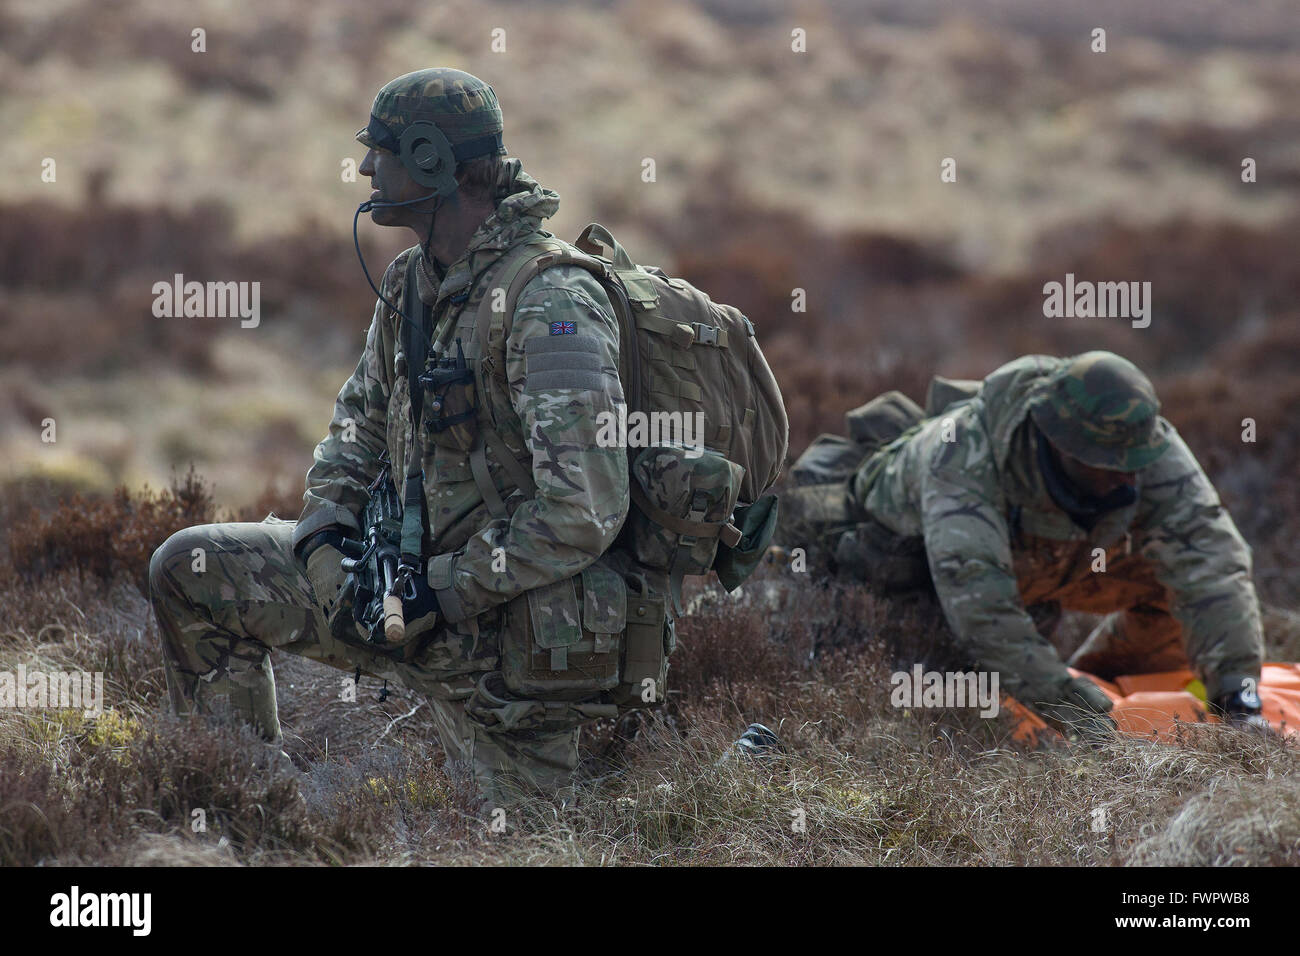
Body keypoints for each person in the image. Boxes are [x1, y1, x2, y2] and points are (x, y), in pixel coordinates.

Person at [150, 68, 635, 805]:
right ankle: (245, 813)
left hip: (503, 642)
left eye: (382, 151)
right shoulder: (413, 280)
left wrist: (439, 591)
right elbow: (355, 430)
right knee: (190, 568)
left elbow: (585, 509)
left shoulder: (552, 302)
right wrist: (321, 544)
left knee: (513, 850)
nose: (366, 168)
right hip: (391, 597)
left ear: (434, 162)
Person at [790, 351, 1267, 739]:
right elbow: (982, 610)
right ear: (1060, 445)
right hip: (910, 568)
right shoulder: (963, 457)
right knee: (928, 695)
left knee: (1181, 582)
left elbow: (1214, 560)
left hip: (1036, 563)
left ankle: (1103, 676)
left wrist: (1237, 699)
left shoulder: (1142, 443)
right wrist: (1073, 712)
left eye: (1135, 462)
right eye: (1109, 463)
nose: (1128, 475)